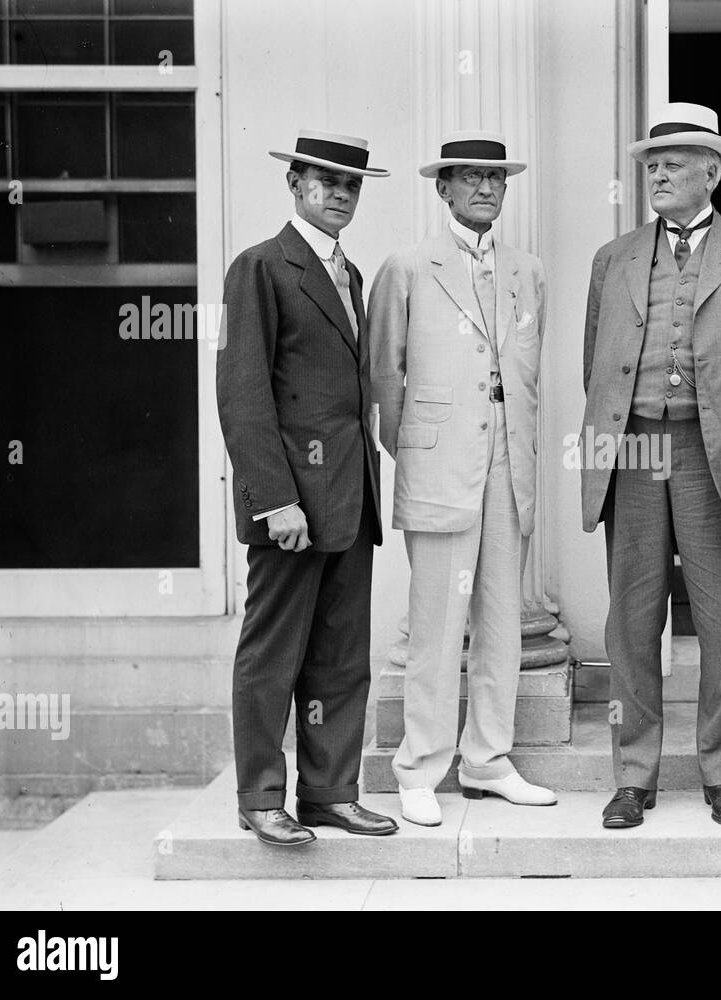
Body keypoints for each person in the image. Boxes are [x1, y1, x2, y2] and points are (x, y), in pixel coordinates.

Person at [581, 103, 721, 829]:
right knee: (632, 623)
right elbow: (596, 367)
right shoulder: (612, 259)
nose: (659, 173)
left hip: (716, 462)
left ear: (712, 170)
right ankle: (634, 776)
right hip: (636, 453)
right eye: (651, 163)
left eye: (673, 162)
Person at [369, 131, 556, 827]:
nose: (485, 189)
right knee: (438, 626)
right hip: (441, 466)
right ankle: (419, 767)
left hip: (509, 465)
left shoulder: (527, 271)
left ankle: (488, 760)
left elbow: (526, 376)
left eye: (496, 179)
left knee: (502, 621)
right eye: (471, 178)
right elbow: (383, 375)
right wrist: (418, 449)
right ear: (442, 188)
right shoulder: (410, 266)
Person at [217, 130, 397, 846]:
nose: (340, 194)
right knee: (273, 653)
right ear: (294, 183)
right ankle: (261, 796)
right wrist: (275, 499)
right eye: (325, 181)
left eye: (351, 184)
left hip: (350, 500)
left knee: (342, 655)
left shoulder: (348, 275)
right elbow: (242, 394)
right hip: (291, 505)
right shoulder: (258, 268)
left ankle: (329, 792)